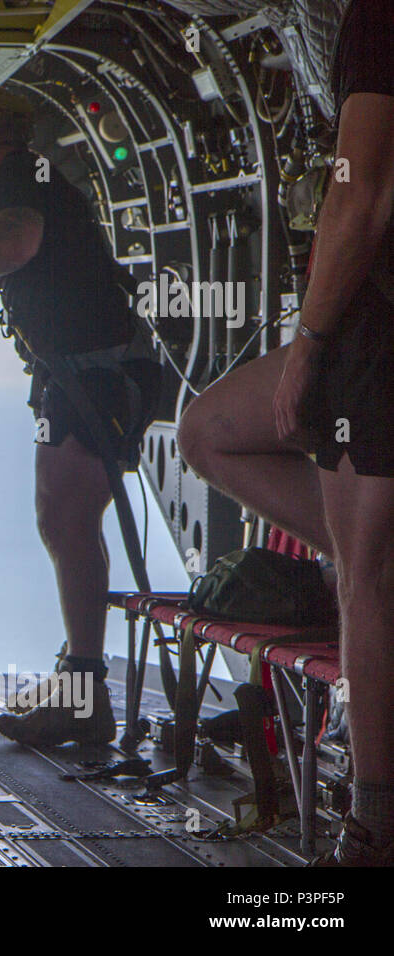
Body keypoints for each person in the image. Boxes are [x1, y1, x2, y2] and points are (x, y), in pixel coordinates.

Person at [176, 0, 394, 865]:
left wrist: (309, 344)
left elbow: (363, 186)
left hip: (373, 325)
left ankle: (373, 828)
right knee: (209, 431)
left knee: (367, 587)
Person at [0, 86, 161, 746]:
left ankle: (83, 692)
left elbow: (16, 242)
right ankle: (78, 677)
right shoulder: (27, 177)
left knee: (65, 516)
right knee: (64, 517)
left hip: (92, 377)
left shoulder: (18, 180)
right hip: (91, 373)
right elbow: (0, 219)